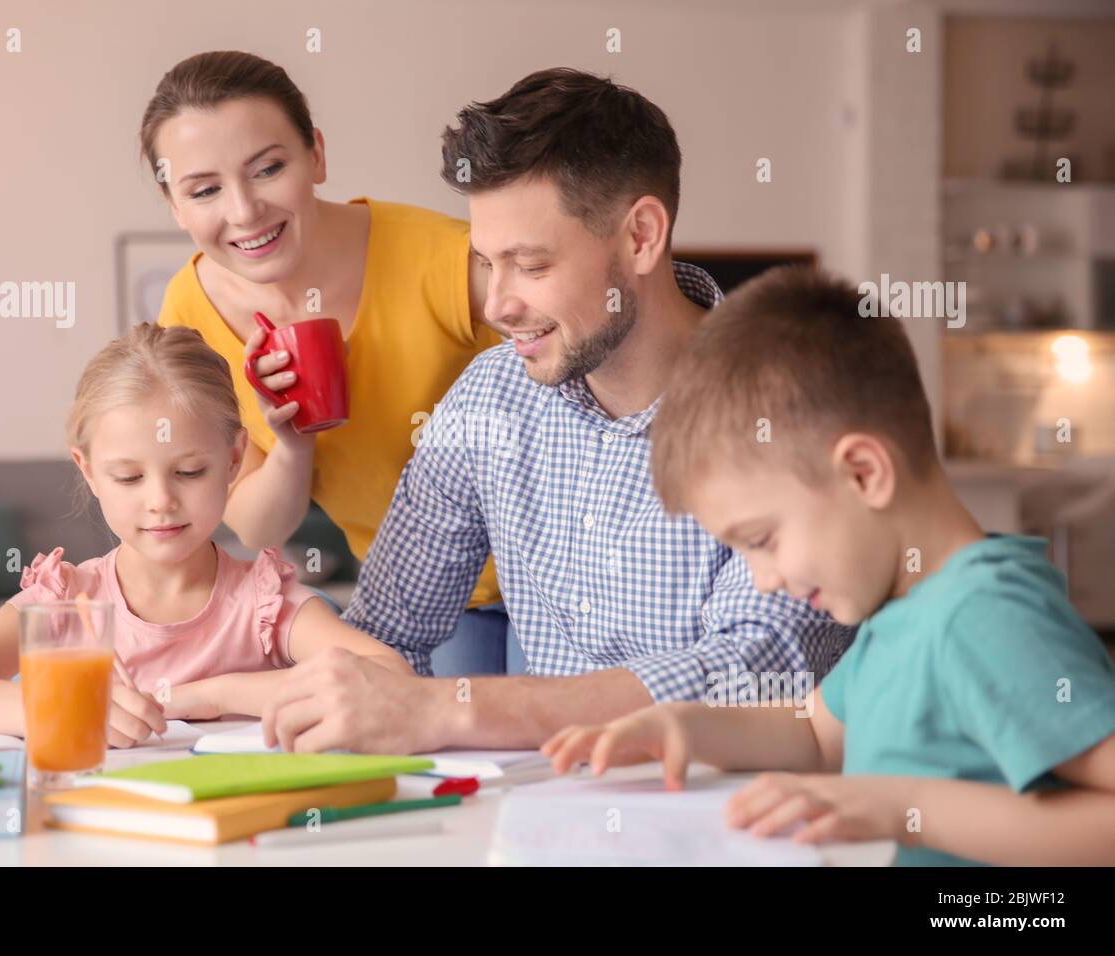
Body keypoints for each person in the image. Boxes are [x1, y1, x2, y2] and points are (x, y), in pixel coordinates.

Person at [259, 69, 852, 756]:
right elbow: (383, 634)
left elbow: (758, 671)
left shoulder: (782, 407)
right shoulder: (491, 395)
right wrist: (182, 681)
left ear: (640, 237)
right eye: (487, 263)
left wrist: (457, 709)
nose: (496, 306)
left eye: (530, 265)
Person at [544, 266, 1115, 866]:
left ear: (864, 473)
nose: (763, 579)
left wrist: (906, 808)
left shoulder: (981, 617)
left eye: (762, 539)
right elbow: (813, 734)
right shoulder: (903, 611)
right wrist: (684, 726)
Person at [144, 50, 510, 674]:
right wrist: (290, 445)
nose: (244, 211)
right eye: (204, 190)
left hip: (561, 577)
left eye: (268, 169)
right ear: (175, 205)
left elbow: (586, 367)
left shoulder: (444, 257)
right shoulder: (189, 313)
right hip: (422, 601)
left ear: (315, 154)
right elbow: (258, 527)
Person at [0, 324, 413, 746]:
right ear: (87, 471)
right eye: (129, 477)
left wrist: (214, 695)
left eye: (189, 472)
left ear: (232, 461)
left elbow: (390, 676)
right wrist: (54, 704)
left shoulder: (262, 604)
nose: (161, 500)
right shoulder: (68, 603)